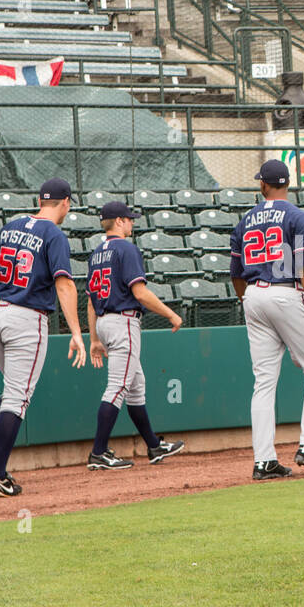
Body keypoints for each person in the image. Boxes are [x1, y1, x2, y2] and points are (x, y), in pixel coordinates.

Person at [0, 178, 87, 496]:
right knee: (18, 398)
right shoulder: (54, 234)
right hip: (26, 319)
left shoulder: (12, 226)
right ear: (66, 203)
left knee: (12, 391)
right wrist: (76, 332)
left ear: (39, 199)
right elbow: (64, 285)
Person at [230, 160, 304, 480]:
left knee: (263, 383)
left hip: (253, 295)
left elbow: (235, 275)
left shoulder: (245, 220)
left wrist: (247, 300)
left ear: (263, 185)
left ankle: (264, 461)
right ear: (286, 185)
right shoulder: (298, 216)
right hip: (284, 292)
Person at [84, 201, 185, 470]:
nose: (132, 223)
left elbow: (91, 302)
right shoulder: (126, 248)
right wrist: (170, 314)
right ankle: (98, 452)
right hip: (123, 322)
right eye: (129, 219)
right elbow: (139, 293)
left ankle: (153, 445)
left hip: (105, 322)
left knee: (136, 385)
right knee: (117, 387)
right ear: (118, 221)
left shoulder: (96, 253)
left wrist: (94, 338)